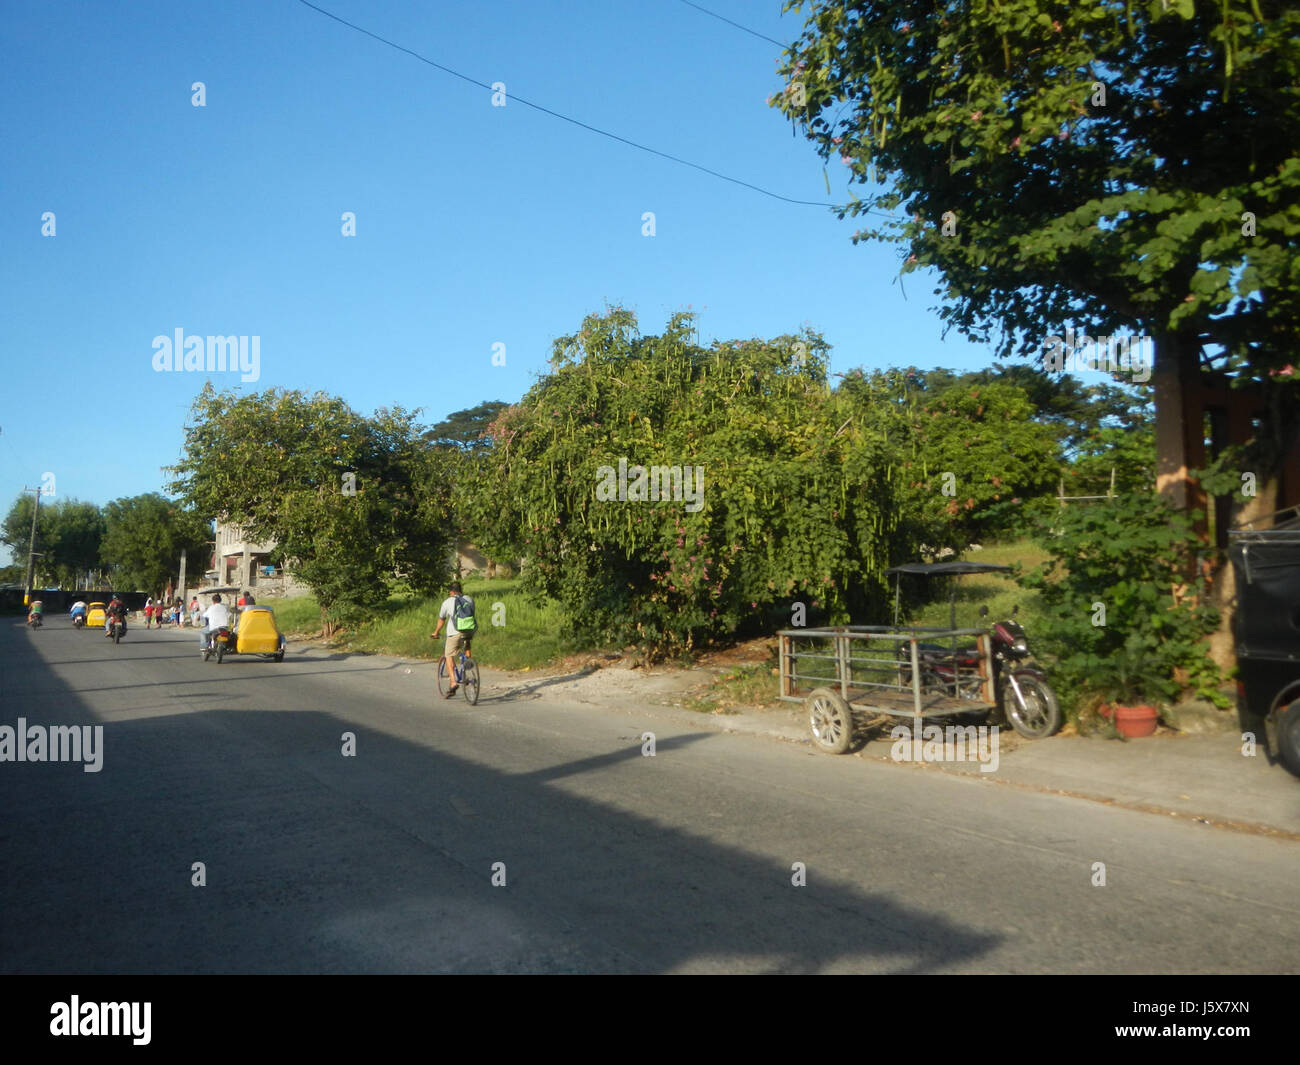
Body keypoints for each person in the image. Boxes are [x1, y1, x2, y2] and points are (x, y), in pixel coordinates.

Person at [430, 581, 476, 698]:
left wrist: (436, 632)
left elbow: (442, 620)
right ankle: (468, 663)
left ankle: (453, 682)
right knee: (467, 642)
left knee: (448, 655)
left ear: (451, 591)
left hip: (454, 633)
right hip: (470, 630)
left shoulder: (447, 602)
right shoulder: (469, 599)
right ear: (461, 590)